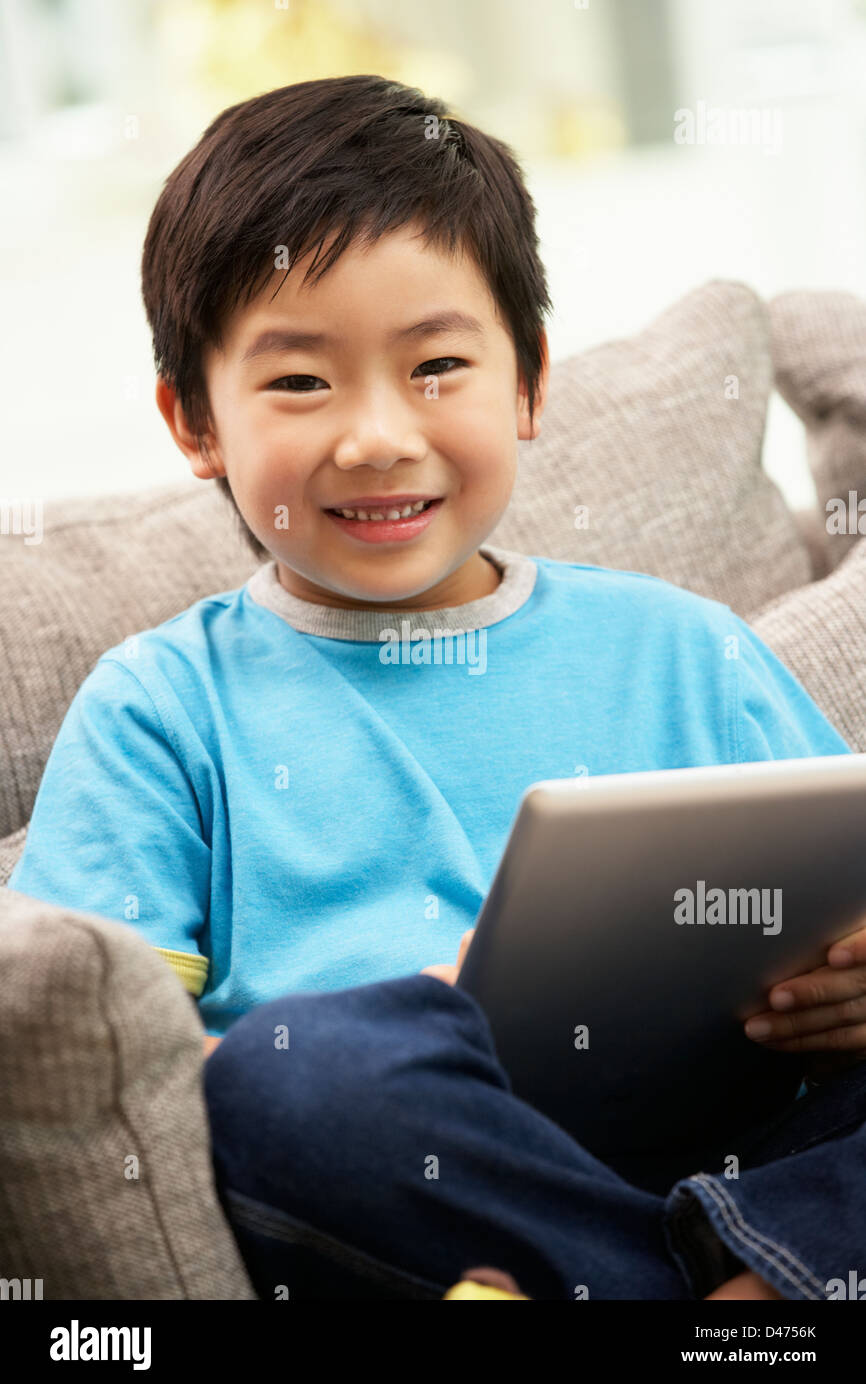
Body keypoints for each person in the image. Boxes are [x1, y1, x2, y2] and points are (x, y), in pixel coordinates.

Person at [10, 75, 866, 1300]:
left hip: (727, 1146)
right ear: (193, 420)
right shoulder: (160, 706)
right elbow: (123, 1076)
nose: (374, 436)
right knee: (287, 1077)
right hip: (422, 1179)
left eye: (436, 366)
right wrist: (434, 1012)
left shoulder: (686, 649)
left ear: (525, 384)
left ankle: (725, 1268)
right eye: (300, 381)